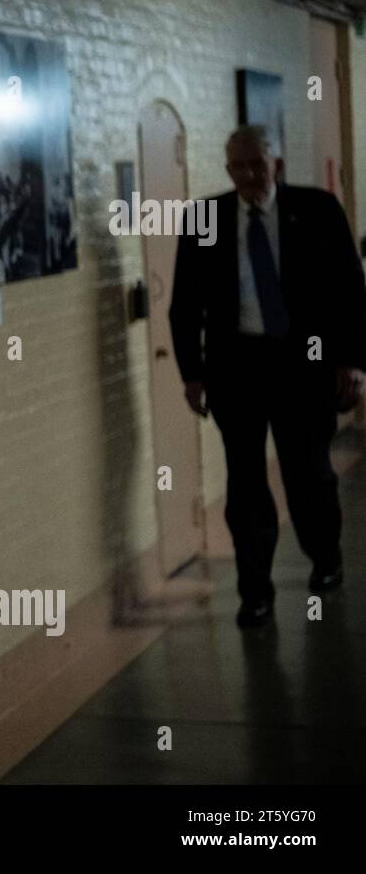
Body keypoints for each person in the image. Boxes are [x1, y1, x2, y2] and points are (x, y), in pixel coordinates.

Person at [169, 124, 366, 628]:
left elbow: (350, 289)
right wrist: (192, 373)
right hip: (236, 368)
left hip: (304, 364)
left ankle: (326, 557)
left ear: (276, 163)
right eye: (238, 166)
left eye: (257, 164)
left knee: (309, 474)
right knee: (245, 482)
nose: (249, 175)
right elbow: (184, 303)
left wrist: (351, 360)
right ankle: (254, 590)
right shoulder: (205, 219)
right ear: (228, 168)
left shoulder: (317, 209)